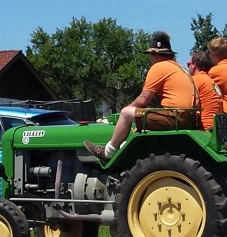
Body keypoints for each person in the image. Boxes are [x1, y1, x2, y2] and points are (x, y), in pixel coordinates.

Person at [84, 31, 199, 161]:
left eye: (151, 54)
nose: (150, 58)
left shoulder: (159, 67)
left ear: (156, 54)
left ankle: (107, 153)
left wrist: (125, 113)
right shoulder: (179, 67)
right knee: (137, 114)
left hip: (177, 116)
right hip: (190, 117)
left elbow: (143, 99)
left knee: (126, 113)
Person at [187, 50, 223, 131]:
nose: (188, 67)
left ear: (194, 65)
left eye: (188, 64)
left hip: (205, 128)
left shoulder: (196, 80)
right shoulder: (210, 80)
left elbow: (187, 104)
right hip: (217, 126)